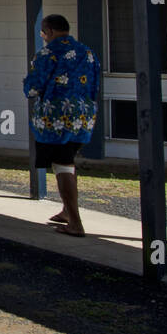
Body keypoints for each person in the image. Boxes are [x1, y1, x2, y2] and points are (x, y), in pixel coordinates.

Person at [22, 14, 100, 236]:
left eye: (43, 33)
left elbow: (33, 88)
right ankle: (67, 211)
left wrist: (27, 85)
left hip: (56, 120)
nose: (43, 37)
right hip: (83, 118)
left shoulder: (47, 54)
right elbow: (94, 85)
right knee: (69, 160)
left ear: (50, 31)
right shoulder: (88, 53)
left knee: (61, 165)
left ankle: (75, 222)